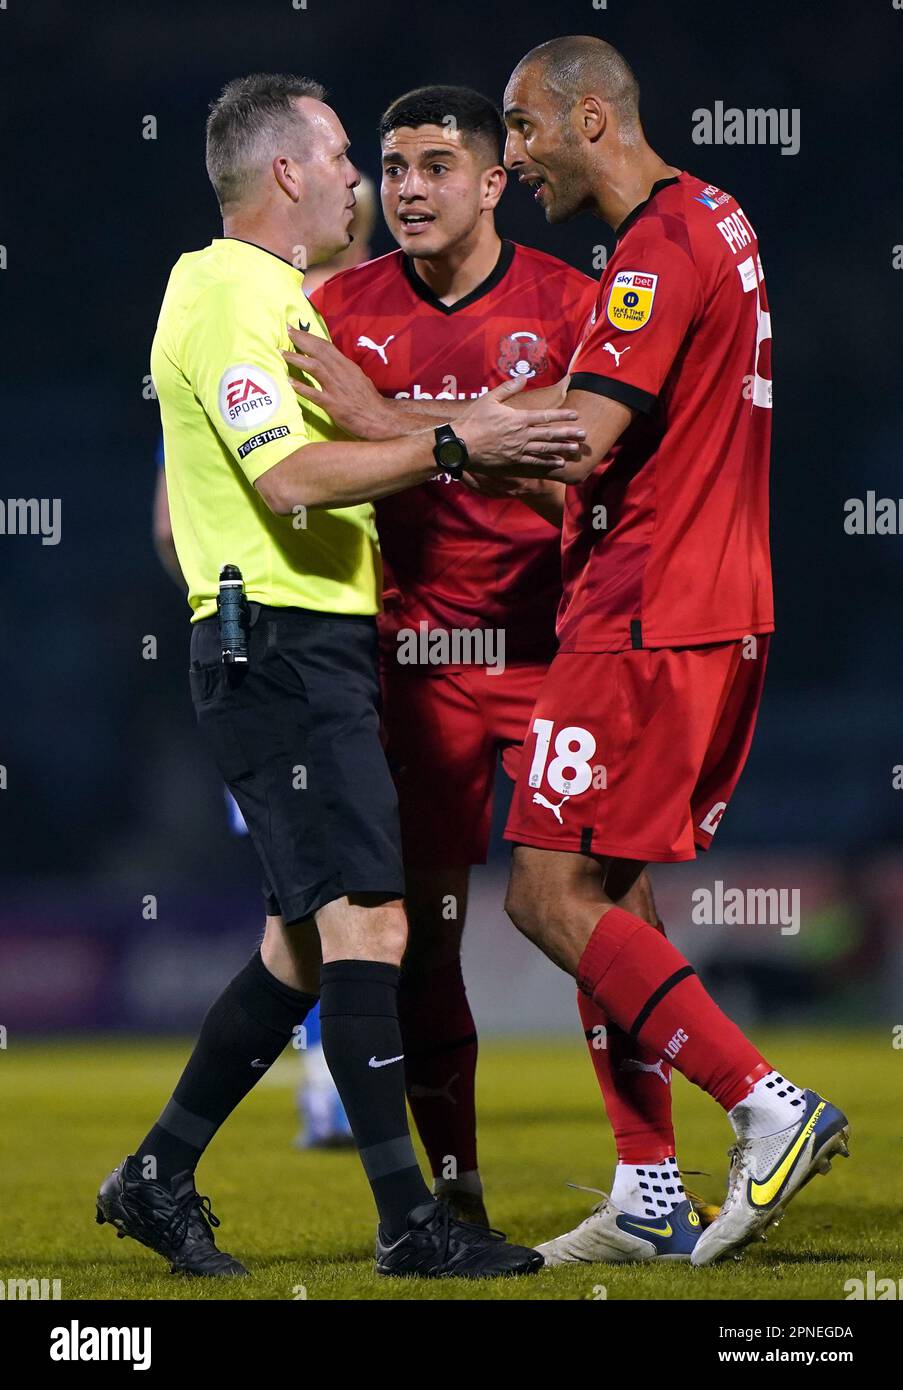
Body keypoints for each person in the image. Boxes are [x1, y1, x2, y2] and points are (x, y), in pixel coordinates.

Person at [96, 71, 583, 1280]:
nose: (366, 182)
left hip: (307, 643)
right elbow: (288, 480)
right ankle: (409, 1221)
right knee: (372, 920)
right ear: (287, 175)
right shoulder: (222, 296)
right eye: (346, 159)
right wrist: (463, 439)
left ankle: (157, 1174)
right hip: (283, 647)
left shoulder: (270, 299)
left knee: (304, 947)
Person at [492, 35, 849, 1266]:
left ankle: (765, 1103)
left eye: (523, 127)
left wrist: (408, 425)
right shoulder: (721, 214)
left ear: (592, 120)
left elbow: (583, 443)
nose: (513, 155)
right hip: (714, 602)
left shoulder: (650, 251)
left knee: (543, 891)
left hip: (647, 612)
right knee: (615, 892)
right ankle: (649, 1188)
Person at [296, 82, 661, 1226]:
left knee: (607, 910)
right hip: (413, 666)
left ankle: (648, 1177)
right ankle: (456, 1202)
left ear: (494, 181)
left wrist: (384, 416)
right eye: (394, 168)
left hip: (558, 648)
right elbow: (311, 461)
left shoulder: (569, 299)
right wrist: (472, 431)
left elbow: (576, 452)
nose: (408, 189)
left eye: (437, 167)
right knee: (425, 940)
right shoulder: (334, 309)